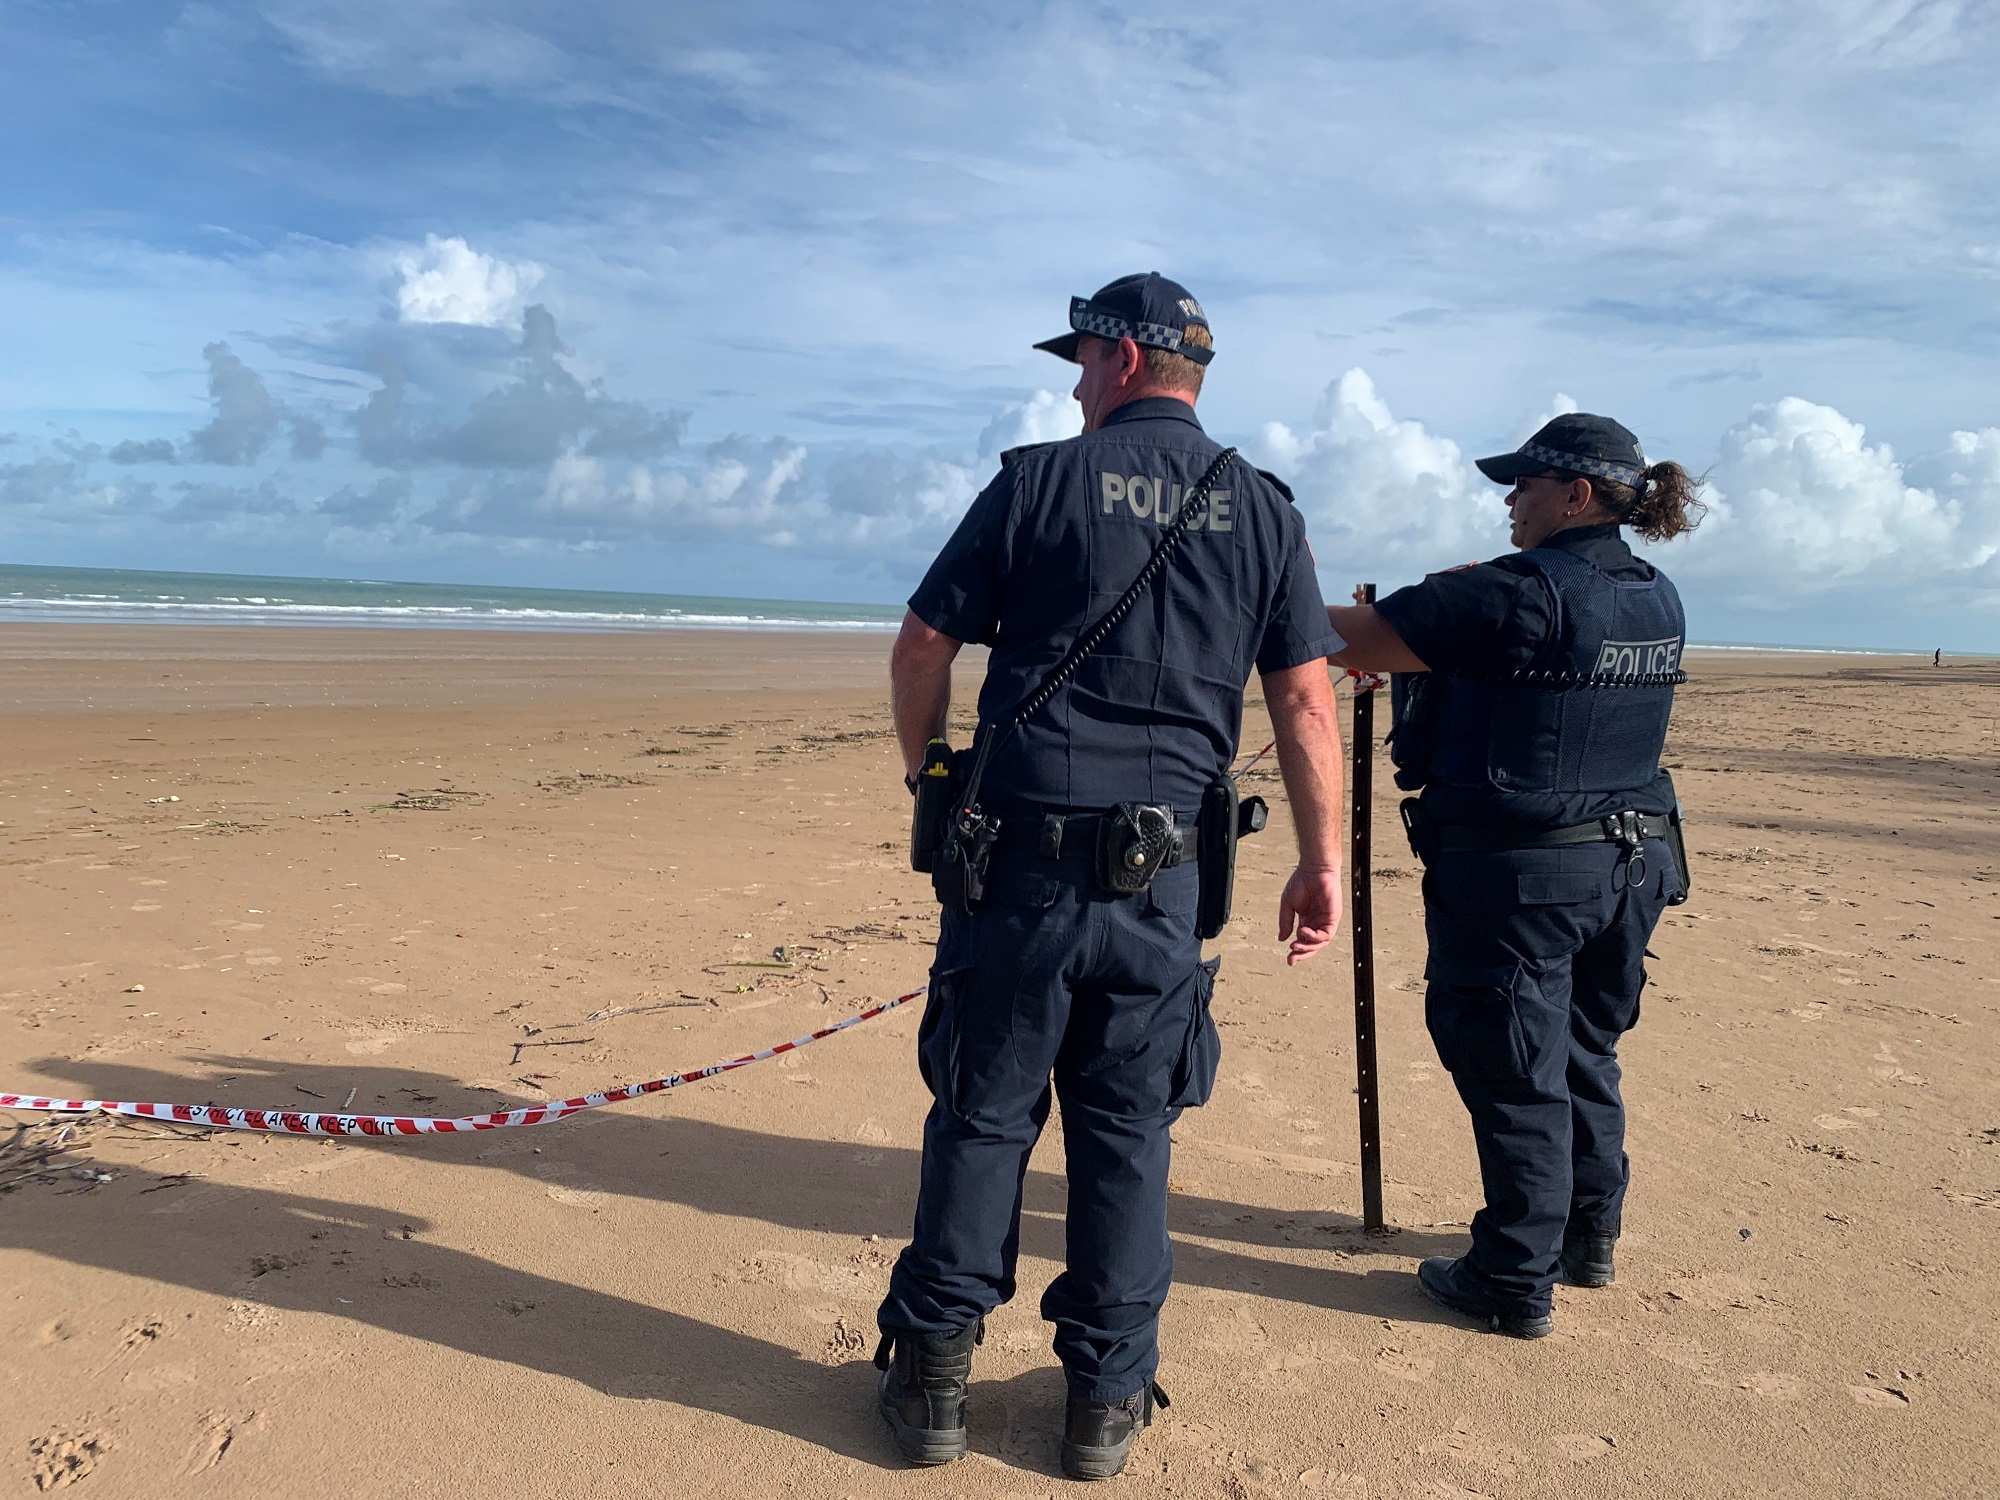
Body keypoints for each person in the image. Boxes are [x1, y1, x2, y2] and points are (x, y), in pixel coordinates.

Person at [876, 273, 1346, 1477]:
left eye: (1082, 362)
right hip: (1162, 880)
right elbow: (1303, 699)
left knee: (983, 1114)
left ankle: (932, 1379)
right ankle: (1103, 1396)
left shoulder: (1038, 482)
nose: (1075, 386)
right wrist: (1322, 861)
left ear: (1124, 361)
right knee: (1128, 1131)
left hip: (1019, 870)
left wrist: (930, 772)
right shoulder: (1264, 509)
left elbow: (922, 644)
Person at [1328, 412, 1705, 1339]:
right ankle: (1586, 1235)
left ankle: (1511, 1275)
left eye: (1524, 485)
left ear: (1574, 495)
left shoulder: (1513, 594)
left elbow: (1344, 639)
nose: (1508, 501)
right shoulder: (1654, 594)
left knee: (1513, 1069)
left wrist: (1254, 582)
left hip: (1527, 877)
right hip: (1632, 861)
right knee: (1582, 1050)